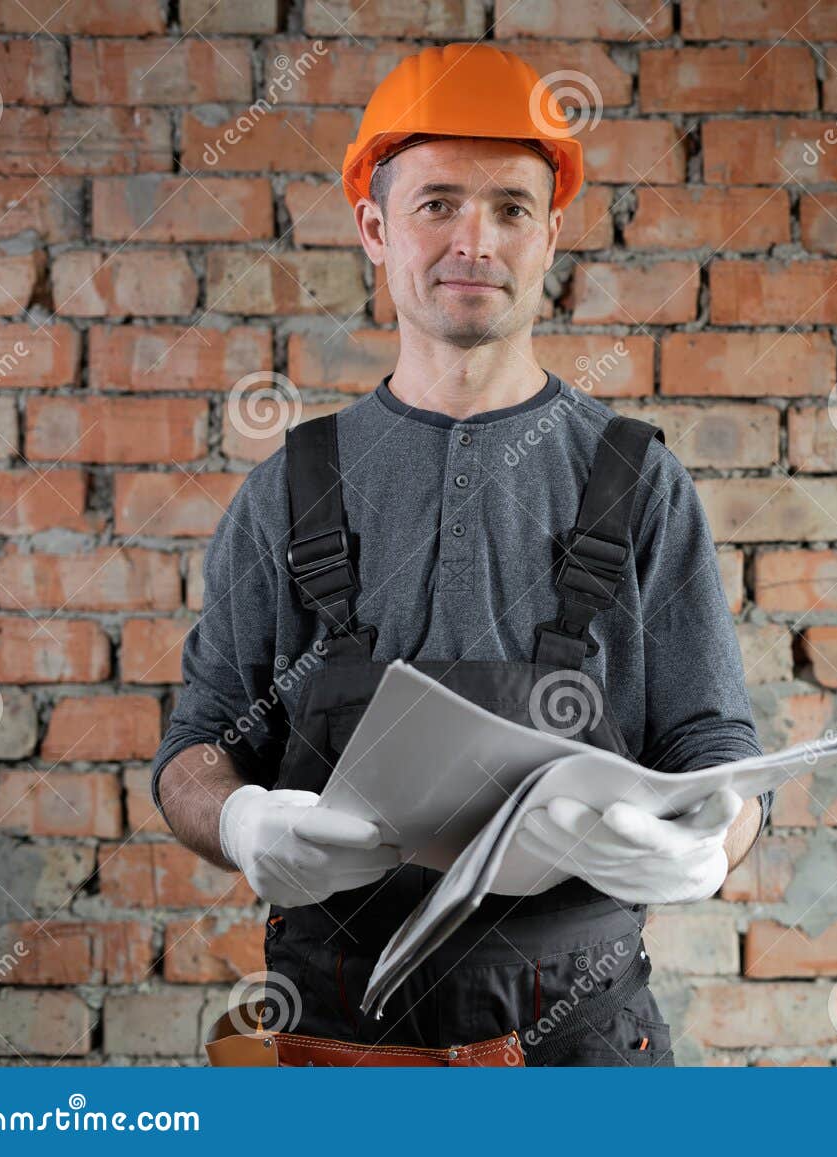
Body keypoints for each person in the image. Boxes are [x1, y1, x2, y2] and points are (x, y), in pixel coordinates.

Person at [151, 42, 771, 1067]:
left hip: (580, 1042)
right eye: (437, 201)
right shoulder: (292, 488)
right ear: (374, 227)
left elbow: (715, 740)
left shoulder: (638, 481)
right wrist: (241, 819)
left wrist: (714, 837)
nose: (473, 238)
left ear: (550, 236)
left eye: (510, 207)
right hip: (333, 1043)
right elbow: (198, 747)